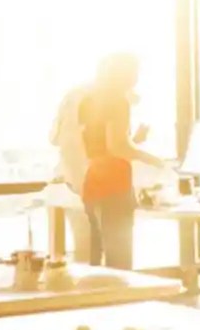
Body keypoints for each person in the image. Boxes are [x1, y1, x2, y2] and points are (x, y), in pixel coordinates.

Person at [79, 53, 163, 270]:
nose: (137, 76)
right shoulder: (118, 101)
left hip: (93, 181)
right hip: (114, 185)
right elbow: (117, 147)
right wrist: (155, 160)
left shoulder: (90, 100)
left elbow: (100, 144)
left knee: (97, 261)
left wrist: (134, 141)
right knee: (120, 264)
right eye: (135, 71)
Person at [49, 87, 91, 263]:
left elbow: (53, 138)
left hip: (67, 181)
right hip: (84, 183)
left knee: (85, 247)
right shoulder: (94, 98)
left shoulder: (72, 98)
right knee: (90, 249)